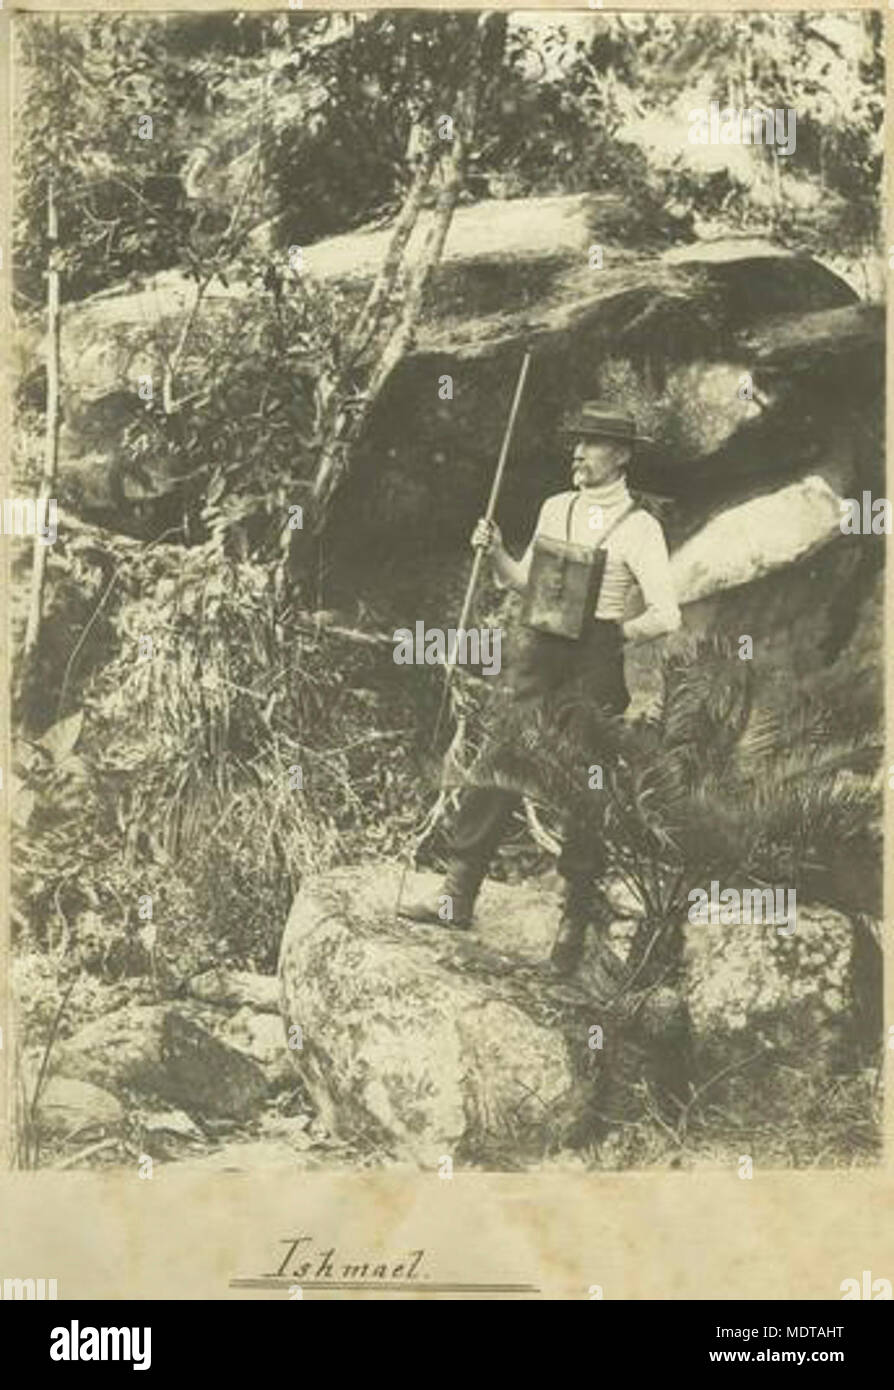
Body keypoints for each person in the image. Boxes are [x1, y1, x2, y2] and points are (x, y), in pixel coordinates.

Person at [403, 402, 681, 976]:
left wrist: (617, 633)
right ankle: (458, 893)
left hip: (595, 666)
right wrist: (496, 551)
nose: (577, 453)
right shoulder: (556, 507)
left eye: (592, 443)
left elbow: (667, 614)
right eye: (577, 441)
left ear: (621, 455)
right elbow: (522, 582)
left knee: (586, 786)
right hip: (538, 655)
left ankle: (574, 917)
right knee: (500, 761)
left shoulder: (641, 527)